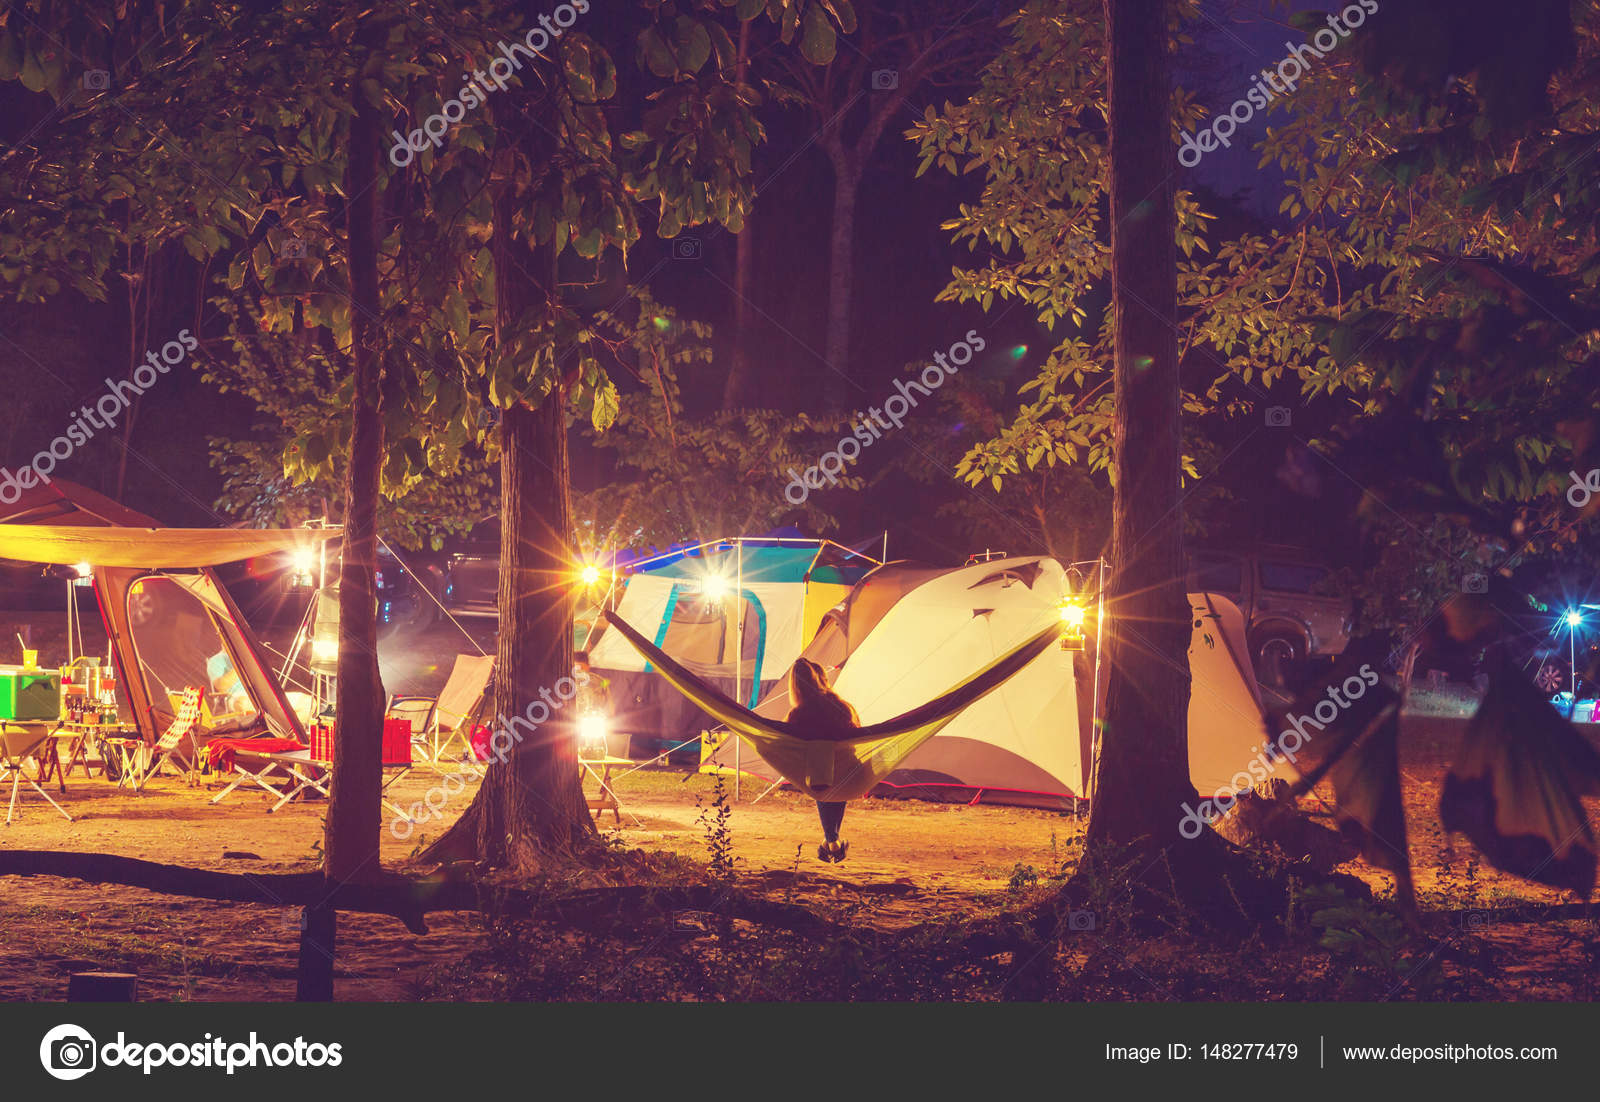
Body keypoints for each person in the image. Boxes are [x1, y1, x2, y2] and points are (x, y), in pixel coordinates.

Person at [785, 658, 860, 863]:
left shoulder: (798, 714)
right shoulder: (842, 707)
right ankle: (831, 843)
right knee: (835, 788)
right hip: (849, 769)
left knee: (822, 774)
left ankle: (832, 842)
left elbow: (790, 741)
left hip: (822, 773)